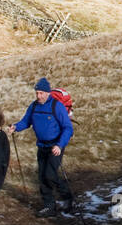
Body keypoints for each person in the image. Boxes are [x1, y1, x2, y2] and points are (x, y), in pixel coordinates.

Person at [11, 77, 76, 216]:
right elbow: (26, 121)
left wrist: (59, 145)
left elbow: (68, 128)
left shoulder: (56, 106)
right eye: (37, 93)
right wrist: (15, 127)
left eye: (41, 93)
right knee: (42, 176)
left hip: (55, 146)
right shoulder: (33, 106)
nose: (38, 96)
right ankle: (49, 207)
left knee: (50, 175)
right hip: (42, 146)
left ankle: (67, 198)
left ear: (47, 93)